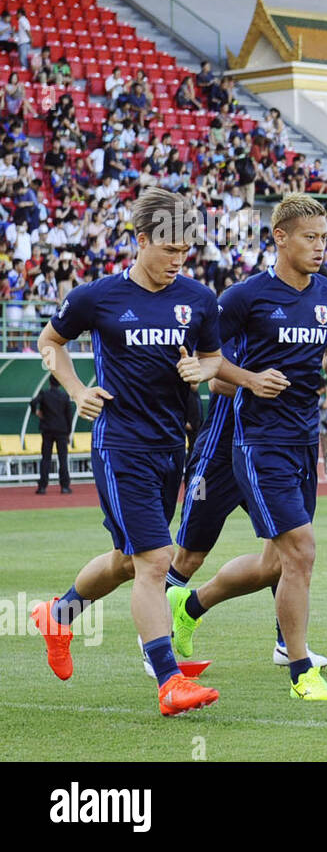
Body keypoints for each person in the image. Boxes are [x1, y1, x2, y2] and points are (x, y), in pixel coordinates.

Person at [31, 187, 224, 715]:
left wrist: (200, 371)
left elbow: (213, 359)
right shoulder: (98, 297)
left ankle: (59, 615)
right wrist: (76, 390)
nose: (178, 261)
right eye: (168, 250)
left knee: (125, 561)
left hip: (170, 447)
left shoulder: (200, 299)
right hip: (120, 445)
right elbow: (50, 342)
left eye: (185, 251)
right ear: (140, 242)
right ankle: (168, 681)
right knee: (156, 561)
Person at [163, 194, 327, 702]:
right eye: (310, 238)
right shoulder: (244, 298)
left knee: (277, 562)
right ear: (280, 238)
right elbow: (208, 364)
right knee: (300, 551)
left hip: (302, 442)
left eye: (324, 238)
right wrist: (250, 380)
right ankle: (300, 671)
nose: (320, 247)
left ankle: (190, 608)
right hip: (256, 442)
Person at [31, 375, 74, 494]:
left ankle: (42, 487)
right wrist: (68, 433)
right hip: (61, 431)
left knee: (46, 459)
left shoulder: (44, 394)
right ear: (59, 383)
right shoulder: (64, 396)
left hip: (47, 430)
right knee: (63, 459)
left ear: (49, 383)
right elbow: (69, 416)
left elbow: (33, 402)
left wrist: (36, 412)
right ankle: (65, 487)